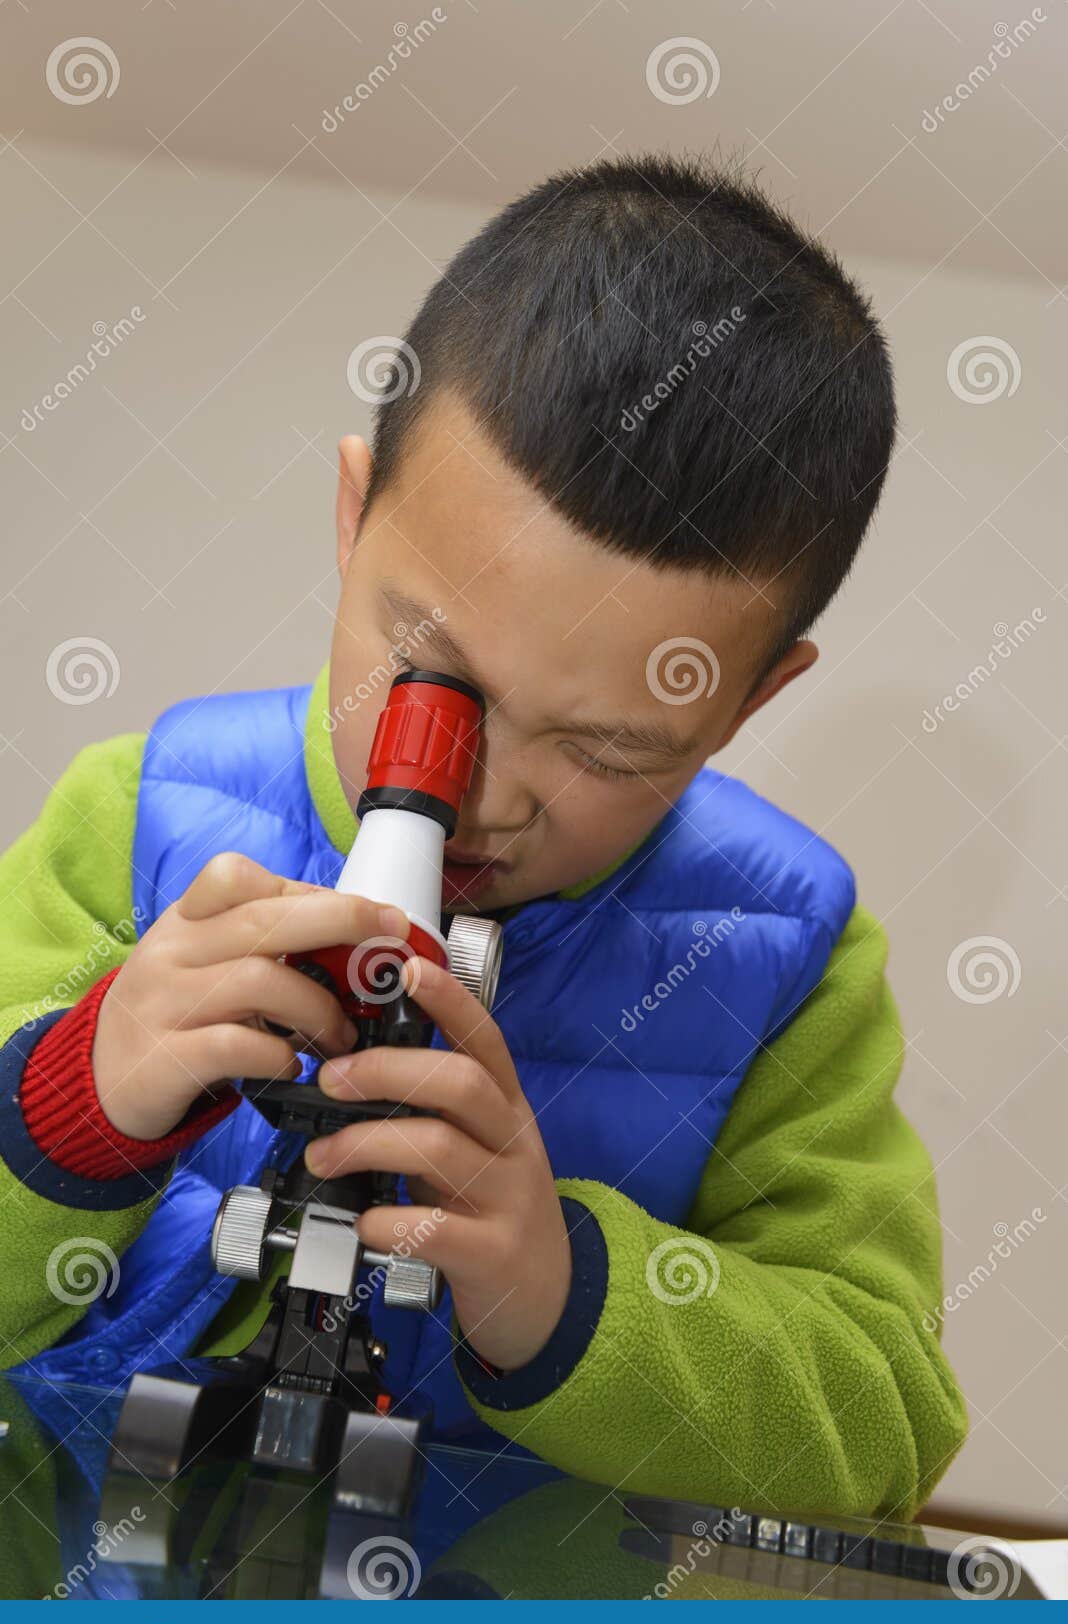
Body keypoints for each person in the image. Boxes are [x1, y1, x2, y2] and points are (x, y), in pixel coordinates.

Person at [0, 154, 966, 1521]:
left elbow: (878, 1430)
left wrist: (563, 1291)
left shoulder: (781, 950)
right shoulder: (145, 813)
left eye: (604, 747)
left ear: (750, 699)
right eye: (431, 672)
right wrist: (67, 1113)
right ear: (352, 514)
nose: (479, 795)